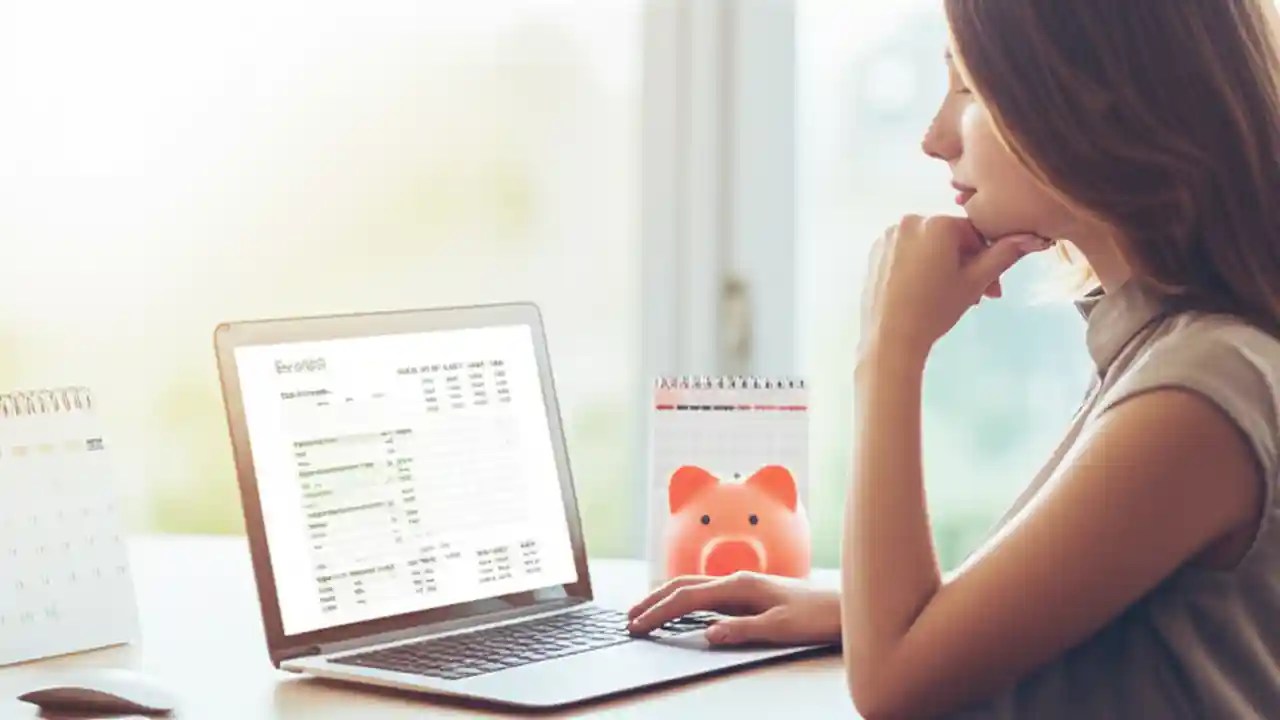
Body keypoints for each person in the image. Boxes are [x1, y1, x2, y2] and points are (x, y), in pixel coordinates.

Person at [626, 1, 1280, 717]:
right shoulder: (1173, 354)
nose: (935, 139)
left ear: (1094, 97)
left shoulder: (1202, 390)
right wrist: (876, 610)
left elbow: (894, 688)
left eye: (967, 86)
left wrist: (889, 349)